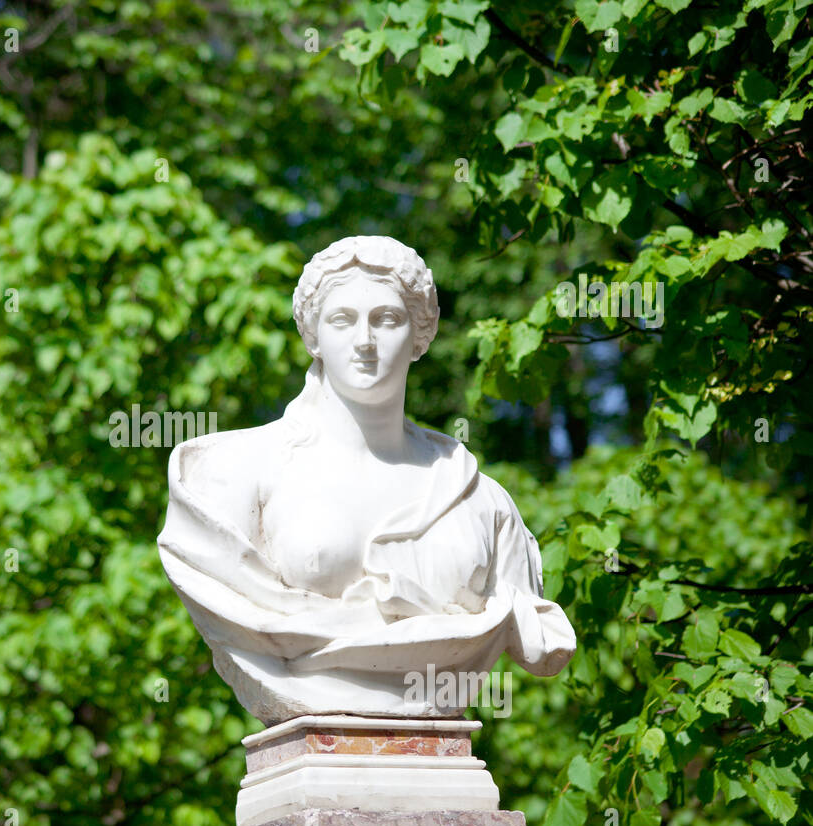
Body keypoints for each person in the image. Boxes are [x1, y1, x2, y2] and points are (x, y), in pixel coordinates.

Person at [157, 236, 576, 725]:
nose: (364, 341)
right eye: (342, 320)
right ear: (311, 335)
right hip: (306, 744)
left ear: (421, 334)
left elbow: (538, 637)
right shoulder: (236, 471)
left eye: (387, 319)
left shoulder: (478, 498)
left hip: (442, 752)